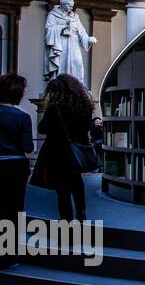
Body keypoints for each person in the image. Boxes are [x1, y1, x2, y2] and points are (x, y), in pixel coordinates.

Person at [32, 74, 94, 221]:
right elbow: (86, 128)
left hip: (59, 152)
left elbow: (42, 128)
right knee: (77, 182)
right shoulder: (85, 107)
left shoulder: (56, 107)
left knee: (63, 191)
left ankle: (66, 222)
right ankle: (81, 212)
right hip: (77, 151)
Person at [0, 75, 34, 268]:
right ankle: (7, 256)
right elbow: (28, 146)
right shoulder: (21, 117)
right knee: (12, 210)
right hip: (13, 167)